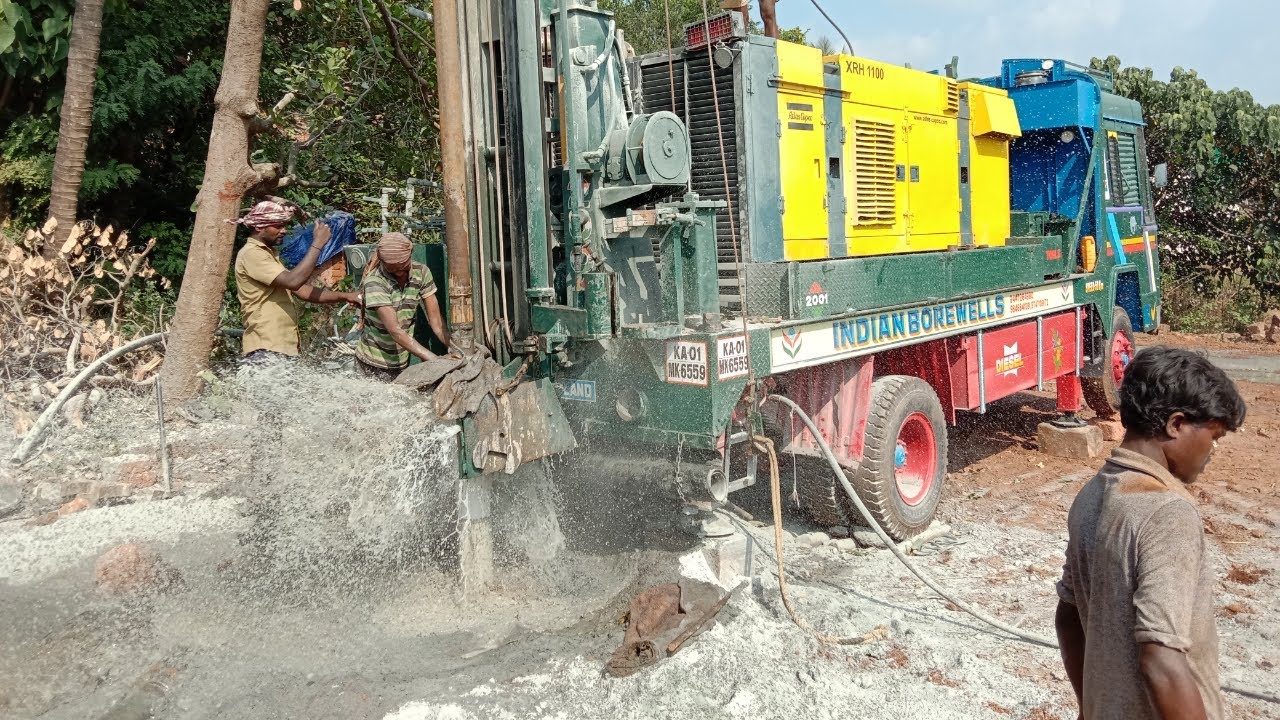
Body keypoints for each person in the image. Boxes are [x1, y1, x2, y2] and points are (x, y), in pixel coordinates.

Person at [1055, 346, 1247, 720]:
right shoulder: (1168, 511)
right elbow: (1161, 658)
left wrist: (1090, 706)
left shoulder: (1093, 493)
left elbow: (1068, 615)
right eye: (1215, 436)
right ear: (1176, 424)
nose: (1213, 451)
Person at [232, 200, 361, 363]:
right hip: (266, 348)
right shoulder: (252, 254)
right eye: (278, 226)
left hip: (280, 347)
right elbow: (293, 281)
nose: (283, 231)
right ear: (259, 227)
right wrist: (317, 244)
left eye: (284, 226)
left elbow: (302, 290)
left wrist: (346, 296)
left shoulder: (267, 254)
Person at [354, 232, 452, 380]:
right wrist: (436, 361)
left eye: (403, 267)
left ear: (411, 254)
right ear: (381, 261)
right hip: (373, 364)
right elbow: (396, 331)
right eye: (392, 269)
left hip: (401, 361)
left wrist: (453, 347)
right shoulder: (375, 282)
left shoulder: (422, 272)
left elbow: (437, 323)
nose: (399, 272)